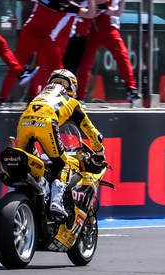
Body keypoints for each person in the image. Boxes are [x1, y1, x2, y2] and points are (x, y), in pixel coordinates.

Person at [14, 69, 104, 216]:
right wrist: (99, 150)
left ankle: (26, 191)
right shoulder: (72, 102)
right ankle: (56, 201)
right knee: (62, 163)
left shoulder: (41, 95)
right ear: (72, 86)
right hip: (47, 123)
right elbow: (92, 132)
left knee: (26, 164)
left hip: (23, 123)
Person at [0, 0, 97, 104]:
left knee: (57, 69)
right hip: (29, 34)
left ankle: (61, 99)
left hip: (46, 38)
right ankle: (1, 99)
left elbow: (90, 14)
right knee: (16, 66)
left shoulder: (70, 5)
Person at [76, 0, 145, 104]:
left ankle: (131, 89)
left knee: (122, 55)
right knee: (86, 62)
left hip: (110, 26)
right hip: (93, 25)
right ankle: (80, 96)